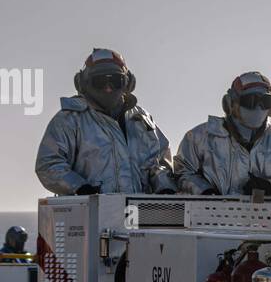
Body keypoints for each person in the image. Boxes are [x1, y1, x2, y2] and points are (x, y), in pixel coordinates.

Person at [35, 50, 175, 195]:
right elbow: (49, 164)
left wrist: (165, 186)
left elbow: (160, 162)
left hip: (141, 213)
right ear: (84, 83)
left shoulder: (141, 120)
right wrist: (80, 188)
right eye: (100, 82)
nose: (108, 88)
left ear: (128, 82)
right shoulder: (69, 119)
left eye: (115, 81)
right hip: (89, 213)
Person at [174, 71, 271, 197]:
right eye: (249, 101)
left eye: (265, 102)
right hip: (208, 224)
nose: (257, 107)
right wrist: (205, 192)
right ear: (230, 104)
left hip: (269, 225)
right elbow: (182, 173)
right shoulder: (200, 137)